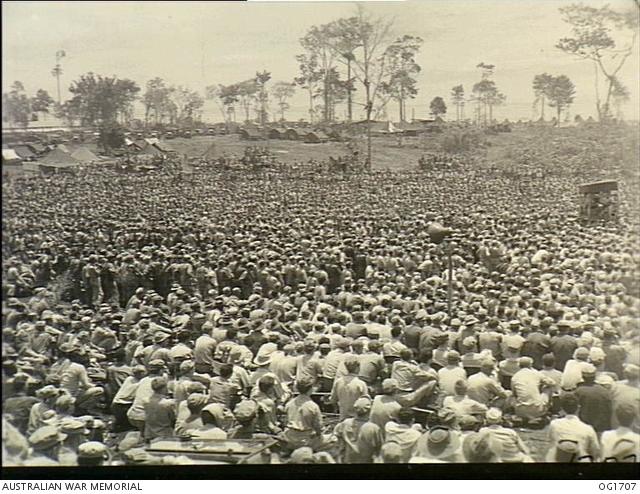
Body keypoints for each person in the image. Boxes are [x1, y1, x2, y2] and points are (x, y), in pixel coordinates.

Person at [546, 393, 600, 462]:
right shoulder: (588, 429)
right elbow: (595, 451)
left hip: (559, 459)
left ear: (562, 409)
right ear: (578, 408)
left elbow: (551, 441)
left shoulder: (554, 424)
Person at [333, 396, 383, 463]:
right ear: (370, 410)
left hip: (347, 460)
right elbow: (379, 448)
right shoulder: (374, 428)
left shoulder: (345, 423)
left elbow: (335, 436)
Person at [573, 365, 612, 433]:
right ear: (594, 377)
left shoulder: (578, 391)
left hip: (583, 427)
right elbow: (609, 410)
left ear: (583, 377)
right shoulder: (604, 391)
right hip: (600, 428)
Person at [330, 356, 369, 421]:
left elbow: (333, 400)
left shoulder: (338, 382)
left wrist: (338, 408)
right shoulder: (361, 383)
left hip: (343, 417)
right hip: (357, 418)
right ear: (358, 367)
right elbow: (366, 402)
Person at [143, 376, 176, 441]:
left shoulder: (145, 401)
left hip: (149, 433)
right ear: (164, 388)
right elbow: (173, 418)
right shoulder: (167, 403)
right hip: (164, 434)